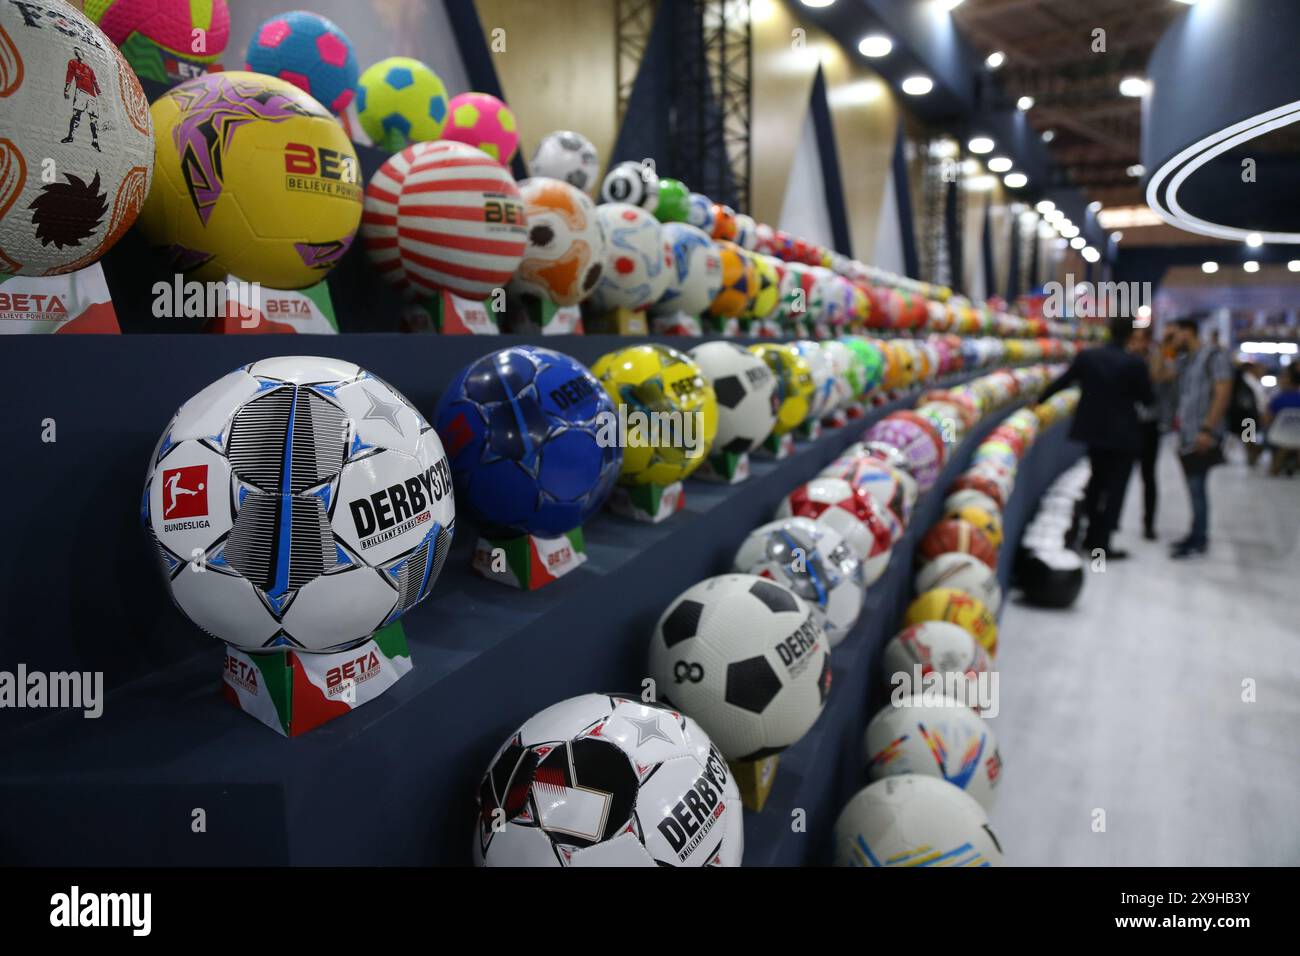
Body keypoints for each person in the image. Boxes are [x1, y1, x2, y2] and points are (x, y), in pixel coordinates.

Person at [1040, 315, 1153, 559]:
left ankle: (1088, 534)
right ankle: (1101, 545)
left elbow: (1063, 381)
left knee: (1096, 483)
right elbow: (1147, 398)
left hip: (1094, 432)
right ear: (1131, 335)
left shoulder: (1089, 356)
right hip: (1123, 435)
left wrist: (1038, 402)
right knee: (1115, 491)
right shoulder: (1135, 363)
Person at [1168, 317, 1233, 558]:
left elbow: (1222, 393)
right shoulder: (1185, 360)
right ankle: (1195, 532)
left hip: (1202, 432)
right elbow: (1160, 376)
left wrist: (1207, 429)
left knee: (1197, 486)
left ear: (1188, 331)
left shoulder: (1213, 356)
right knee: (1193, 485)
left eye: (1174, 335)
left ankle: (1199, 538)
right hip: (1186, 433)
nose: (1171, 340)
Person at [1129, 326, 1177, 539]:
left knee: (1148, 476)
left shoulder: (1159, 360)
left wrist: (1162, 349)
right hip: (1127, 425)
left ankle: (1149, 523)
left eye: (1141, 340)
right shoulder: (1126, 360)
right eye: (1134, 340)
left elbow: (1157, 377)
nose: (1137, 345)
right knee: (1117, 475)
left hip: (1150, 426)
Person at [1264, 364, 1300, 476]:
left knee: (1260, 430)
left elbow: (1266, 419)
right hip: (1298, 436)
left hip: (1278, 437)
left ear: (1288, 380)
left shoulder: (1278, 400)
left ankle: (1275, 465)